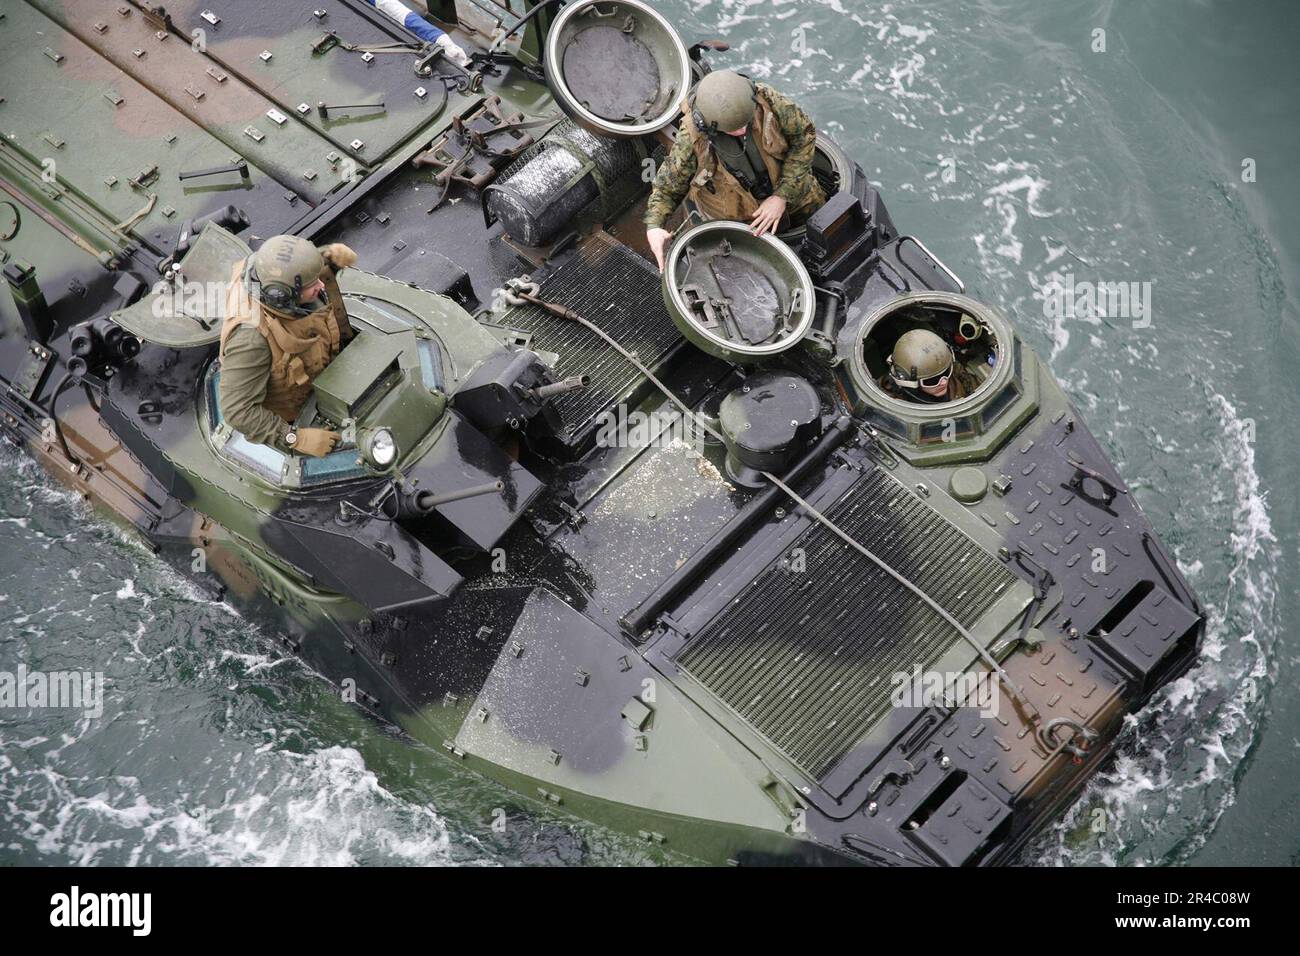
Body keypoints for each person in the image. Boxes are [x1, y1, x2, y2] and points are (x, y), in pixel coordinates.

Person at [644, 70, 827, 271]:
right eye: (734, 128)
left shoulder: (766, 100)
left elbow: (804, 136)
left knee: (827, 237)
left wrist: (782, 196)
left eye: (746, 123)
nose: (742, 131)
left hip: (796, 195)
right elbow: (667, 187)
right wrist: (654, 226)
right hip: (742, 225)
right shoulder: (692, 138)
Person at [218, 236, 358, 457]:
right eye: (313, 285)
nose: (321, 286)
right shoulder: (251, 341)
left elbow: (289, 268)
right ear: (281, 296)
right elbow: (238, 411)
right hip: (301, 409)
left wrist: (326, 258)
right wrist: (294, 437)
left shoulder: (267, 271)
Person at [880, 329, 982, 403]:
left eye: (946, 373)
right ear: (906, 379)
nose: (944, 382)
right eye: (932, 380)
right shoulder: (890, 401)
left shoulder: (953, 368)